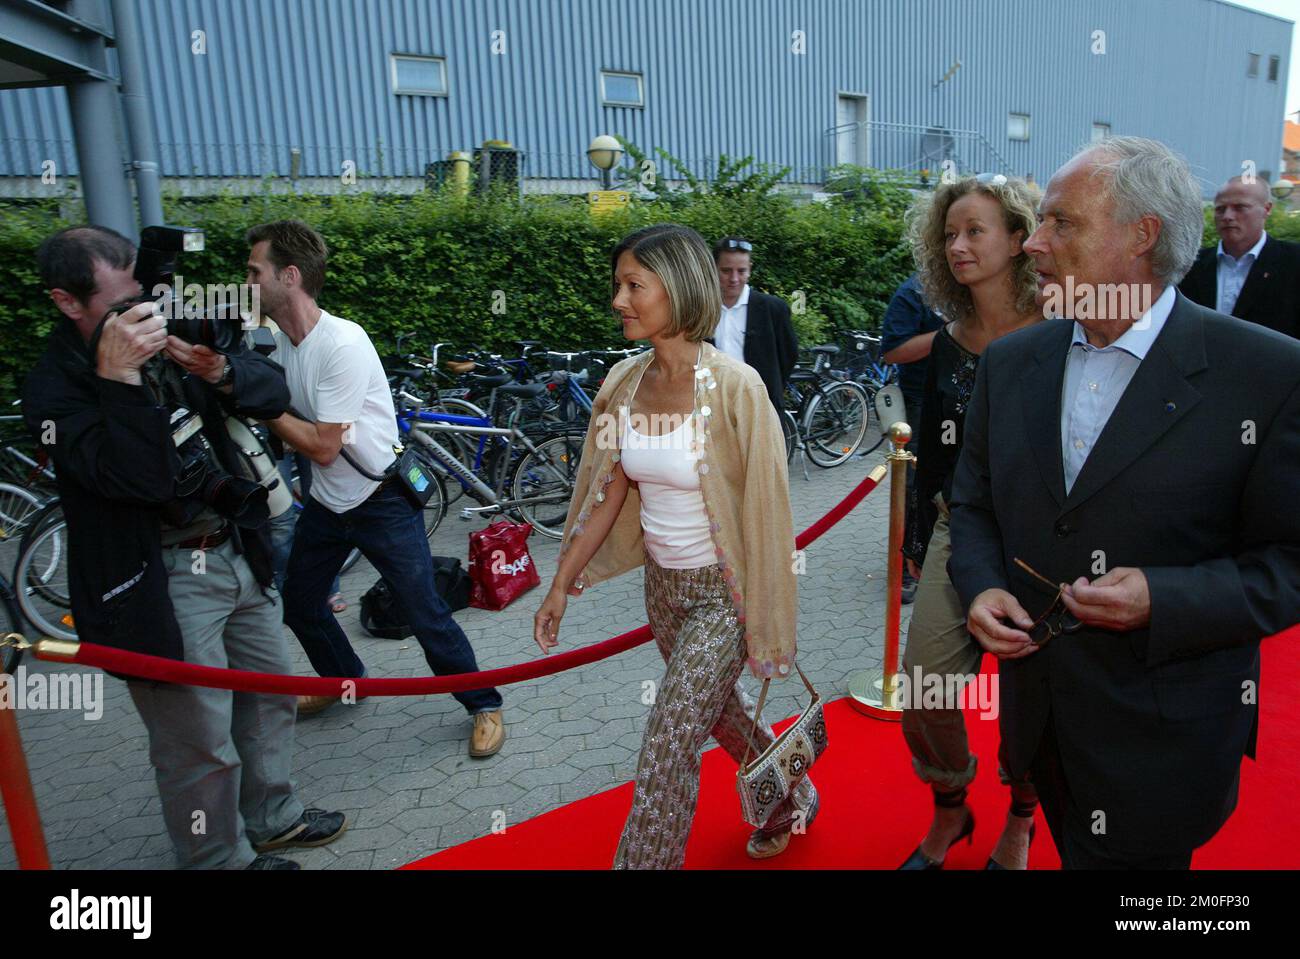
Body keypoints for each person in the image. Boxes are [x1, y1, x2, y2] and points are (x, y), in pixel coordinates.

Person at [949, 137, 1300, 869]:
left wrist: (1162, 598)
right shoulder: (1013, 361)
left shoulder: (1267, 374)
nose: (1034, 245)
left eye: (1061, 224)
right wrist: (980, 584)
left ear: (1142, 235)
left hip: (1162, 736)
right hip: (1039, 715)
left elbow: (1288, 566)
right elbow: (975, 505)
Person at [22, 226, 346, 870]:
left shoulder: (169, 332)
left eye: (141, 292)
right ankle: (215, 860)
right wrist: (117, 378)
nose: (141, 314)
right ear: (67, 302)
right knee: (197, 740)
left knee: (268, 696)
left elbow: (271, 391)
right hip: (159, 580)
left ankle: (274, 819)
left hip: (233, 548)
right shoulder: (56, 390)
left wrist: (220, 369)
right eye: (120, 305)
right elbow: (134, 480)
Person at [533, 224, 817, 868]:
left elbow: (771, 514)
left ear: (679, 288)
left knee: (667, 742)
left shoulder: (739, 388)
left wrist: (770, 618)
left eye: (635, 285)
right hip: (663, 591)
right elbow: (603, 493)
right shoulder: (623, 385)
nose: (619, 300)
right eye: (618, 286)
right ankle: (789, 795)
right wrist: (559, 586)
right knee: (718, 717)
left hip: (723, 594)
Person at [254, 220, 505, 754]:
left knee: (423, 610)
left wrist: (259, 403)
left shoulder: (341, 342)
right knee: (300, 602)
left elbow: (322, 445)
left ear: (290, 276)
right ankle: (344, 680)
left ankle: (483, 704)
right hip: (326, 502)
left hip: (380, 501)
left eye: (255, 272)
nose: (247, 283)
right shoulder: (280, 345)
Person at [896, 174, 1043, 870]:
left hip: (1048, 537)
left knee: (1032, 694)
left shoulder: (1067, 327)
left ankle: (1021, 814)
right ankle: (951, 807)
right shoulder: (948, 341)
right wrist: (920, 545)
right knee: (924, 681)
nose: (958, 245)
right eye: (948, 234)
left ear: (1019, 238)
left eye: (975, 230)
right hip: (962, 528)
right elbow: (930, 455)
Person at [880, 273, 945, 603]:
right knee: (911, 486)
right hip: (919, 402)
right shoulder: (912, 291)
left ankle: (943, 558)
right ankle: (905, 565)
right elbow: (891, 352)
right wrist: (950, 335)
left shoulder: (977, 284)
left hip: (967, 397)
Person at [1179, 175, 1300, 339]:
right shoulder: (1190, 264)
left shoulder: (1293, 262)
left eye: (1239, 207)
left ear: (1267, 209)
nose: (1227, 216)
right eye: (1220, 209)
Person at [710, 236, 799, 412]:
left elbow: (789, 355)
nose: (734, 278)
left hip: (760, 408)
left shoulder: (773, 309)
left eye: (741, 271)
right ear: (714, 270)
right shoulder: (702, 309)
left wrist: (770, 389)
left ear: (750, 269)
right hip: (713, 407)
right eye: (726, 271)